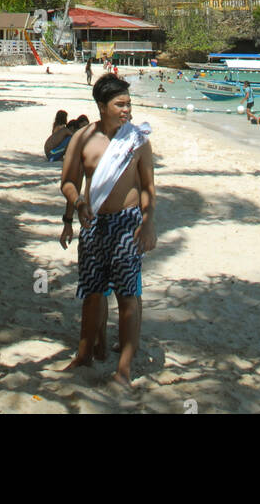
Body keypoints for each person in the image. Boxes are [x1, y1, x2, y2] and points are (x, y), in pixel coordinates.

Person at [60, 74, 156, 386]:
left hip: (127, 224)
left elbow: (148, 187)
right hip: (94, 225)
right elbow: (68, 181)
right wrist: (77, 204)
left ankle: (124, 370)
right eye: (120, 104)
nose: (127, 110)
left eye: (129, 103)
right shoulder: (83, 139)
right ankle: (84, 354)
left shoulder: (138, 140)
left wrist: (148, 221)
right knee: (92, 293)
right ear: (102, 106)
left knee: (128, 295)